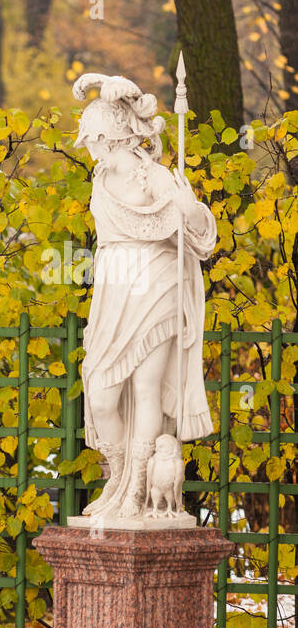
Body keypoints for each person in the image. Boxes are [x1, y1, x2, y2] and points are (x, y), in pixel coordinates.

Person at [72, 73, 216, 519]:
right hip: (114, 285)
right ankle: (116, 478)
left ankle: (136, 488)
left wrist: (187, 206)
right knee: (100, 393)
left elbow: (196, 229)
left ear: (111, 137)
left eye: (93, 139)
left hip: (156, 283)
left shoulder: (151, 174)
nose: (90, 148)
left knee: (146, 388)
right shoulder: (99, 180)